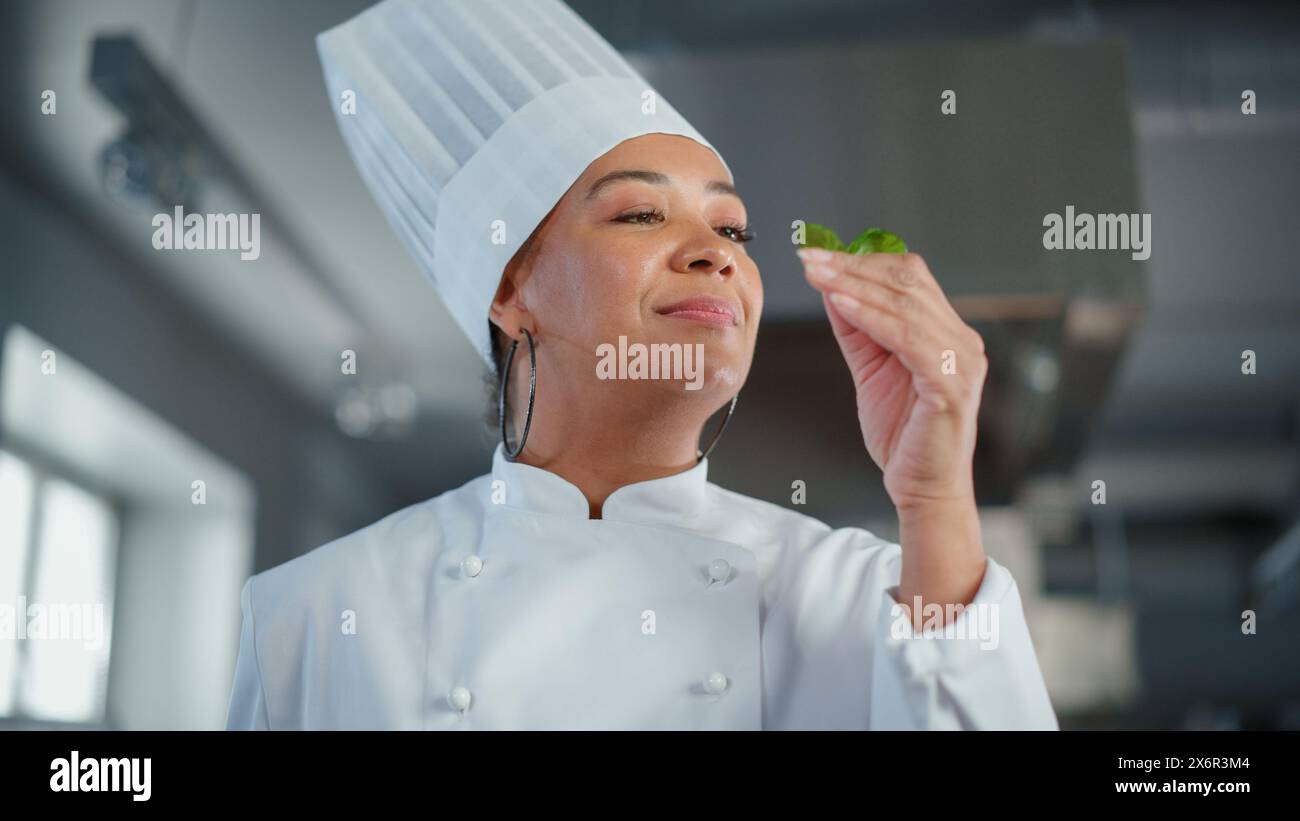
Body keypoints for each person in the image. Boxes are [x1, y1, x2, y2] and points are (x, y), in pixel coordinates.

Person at [225, 0, 1057, 730]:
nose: (715, 254)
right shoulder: (314, 616)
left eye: (733, 229)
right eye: (642, 212)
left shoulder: (872, 598)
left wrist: (937, 498)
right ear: (508, 286)